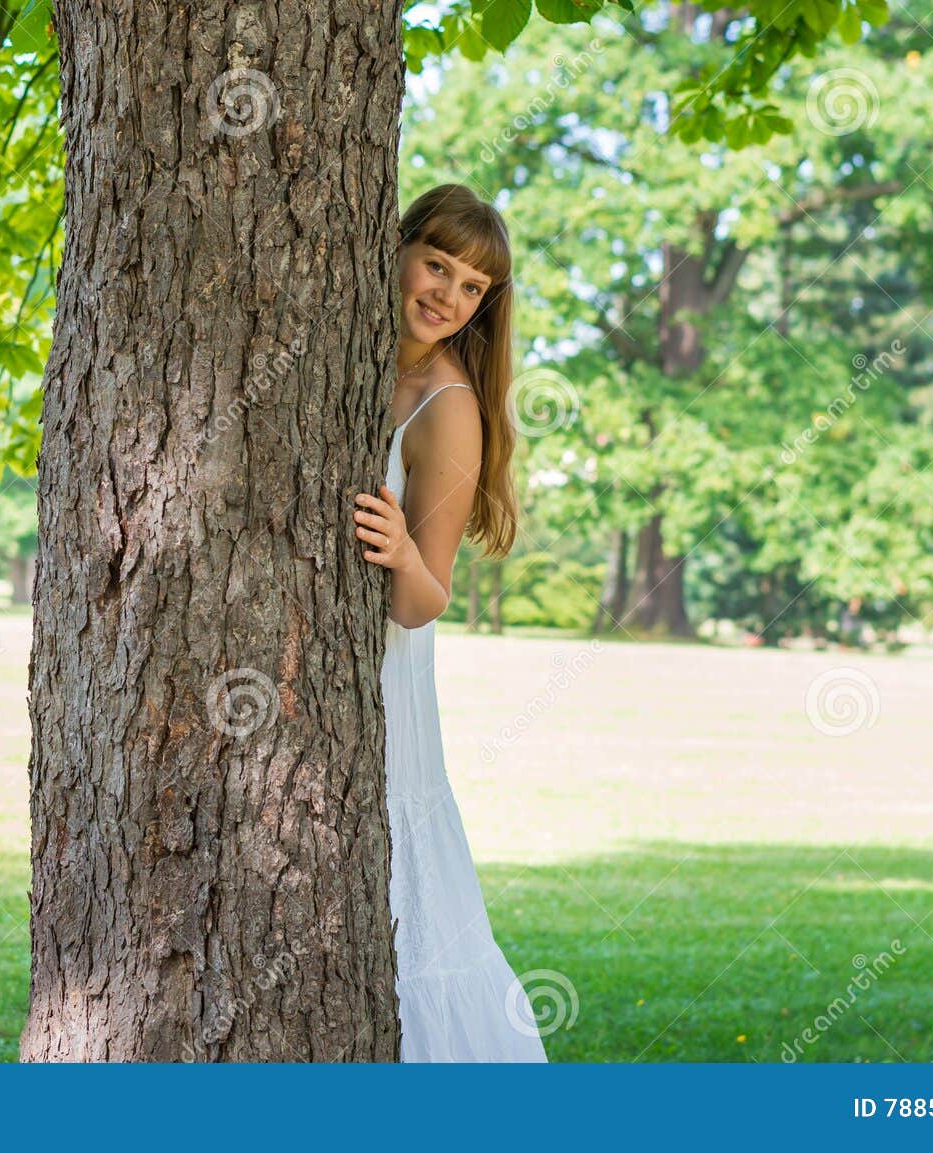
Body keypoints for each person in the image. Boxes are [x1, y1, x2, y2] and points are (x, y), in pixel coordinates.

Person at [350, 183, 547, 1062]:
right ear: (397, 250)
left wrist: (398, 547)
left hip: (388, 677)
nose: (449, 295)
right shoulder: (355, 356)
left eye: (473, 287)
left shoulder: (448, 401)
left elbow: (429, 598)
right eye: (438, 265)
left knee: (406, 893)